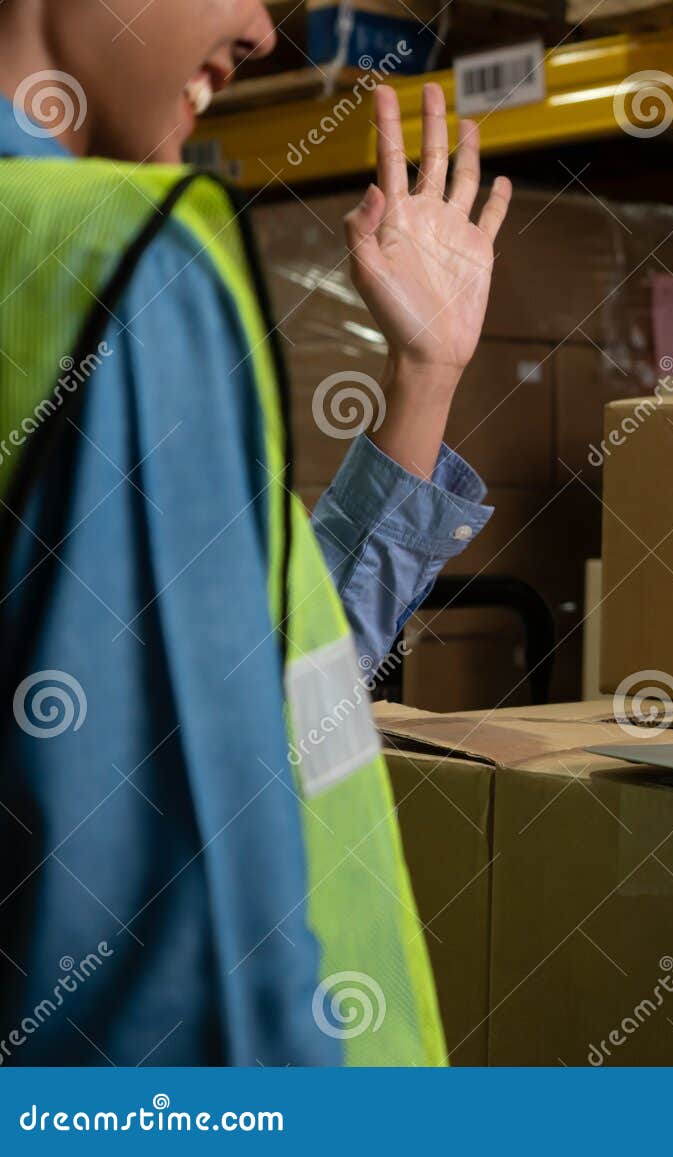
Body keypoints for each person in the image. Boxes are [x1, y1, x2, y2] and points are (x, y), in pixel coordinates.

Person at [0, 0, 512, 1065]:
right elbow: (175, 937)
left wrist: (423, 377)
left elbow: (263, 688)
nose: (261, 30)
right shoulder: (119, 259)